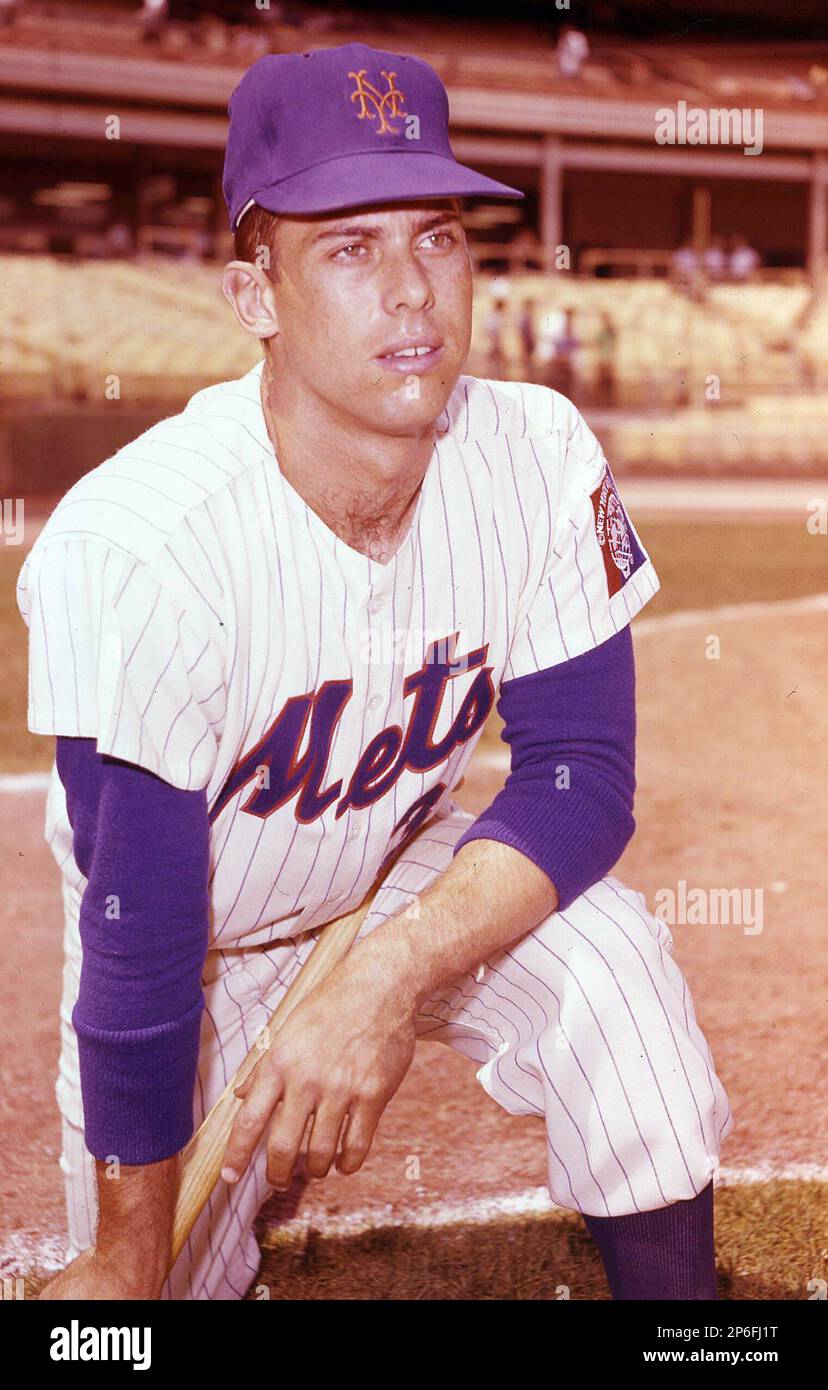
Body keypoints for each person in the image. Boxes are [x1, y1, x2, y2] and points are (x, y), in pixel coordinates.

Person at [18, 41, 732, 1302]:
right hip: (199, 949)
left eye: (440, 236)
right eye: (350, 247)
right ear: (257, 297)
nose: (412, 289)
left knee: (614, 974)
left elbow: (583, 773)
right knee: (136, 1312)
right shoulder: (141, 545)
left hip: (397, 873)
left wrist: (384, 979)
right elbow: (137, 922)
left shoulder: (537, 451)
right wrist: (131, 1256)